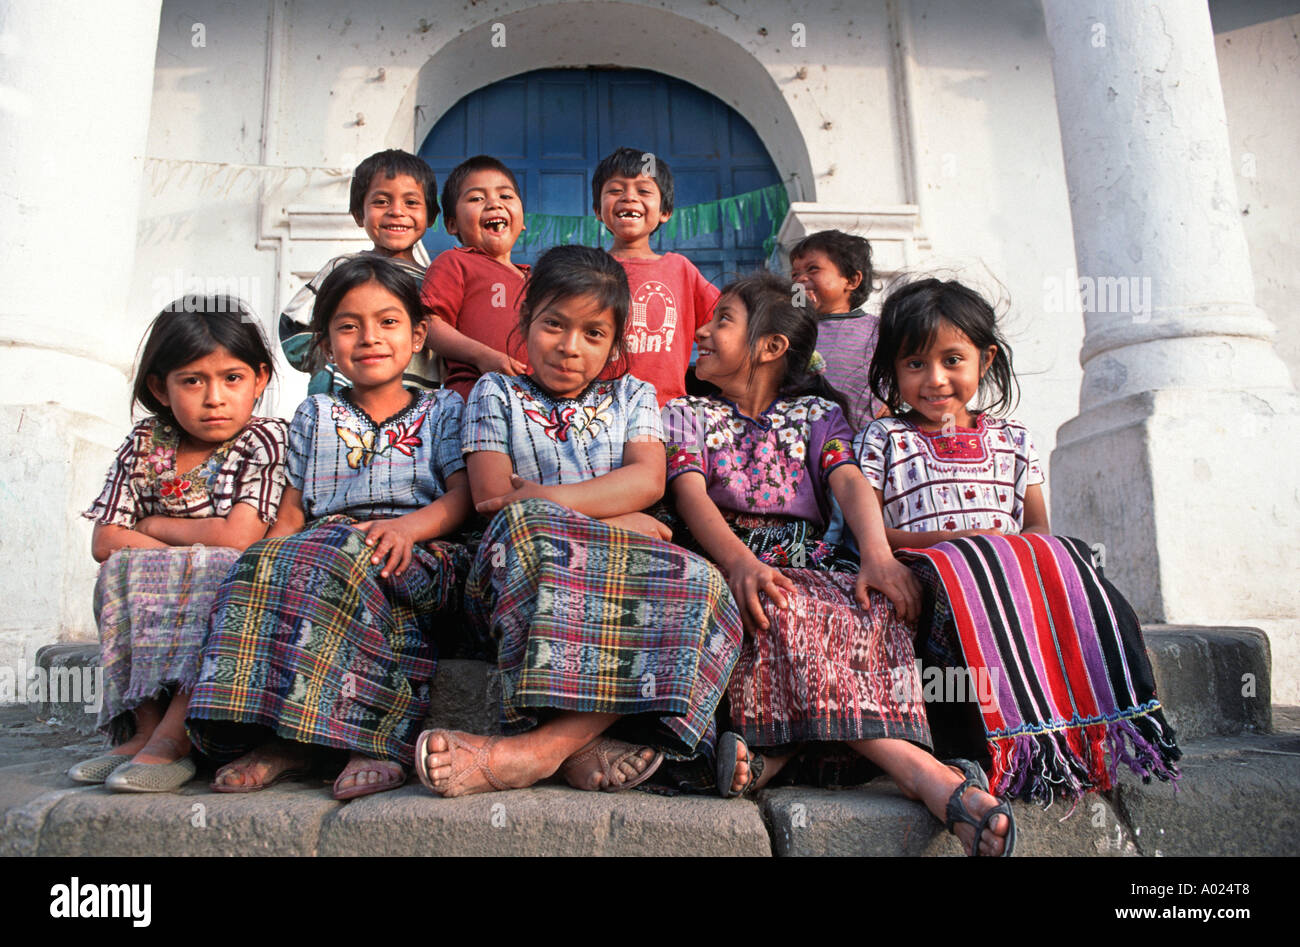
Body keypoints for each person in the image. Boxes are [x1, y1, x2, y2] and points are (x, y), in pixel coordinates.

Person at [662, 271, 1016, 856]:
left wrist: (877, 555)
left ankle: (776, 753)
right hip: (729, 557)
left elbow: (847, 480)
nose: (701, 328)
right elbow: (691, 495)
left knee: (869, 605)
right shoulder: (686, 415)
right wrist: (742, 563)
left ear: (771, 347)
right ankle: (924, 775)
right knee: (783, 602)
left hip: (811, 557)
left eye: (722, 319)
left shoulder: (818, 416)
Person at [413, 245, 742, 797]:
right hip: (512, 576)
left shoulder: (634, 395)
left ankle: (540, 751)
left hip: (603, 571)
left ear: (615, 344)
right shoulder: (497, 392)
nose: (570, 348)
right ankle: (569, 744)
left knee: (703, 580)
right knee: (532, 530)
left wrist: (550, 497)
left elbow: (648, 481)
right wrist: (627, 519)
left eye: (593, 334)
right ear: (525, 321)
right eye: (554, 325)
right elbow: (496, 499)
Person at [856, 277, 1181, 804]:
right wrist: (962, 542)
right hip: (932, 582)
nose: (934, 379)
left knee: (1071, 562)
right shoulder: (885, 438)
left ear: (985, 361)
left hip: (1006, 580)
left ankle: (1079, 728)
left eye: (952, 360)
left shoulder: (1012, 438)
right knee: (967, 588)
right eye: (914, 364)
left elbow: (1036, 528)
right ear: (893, 369)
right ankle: (979, 745)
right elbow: (872, 531)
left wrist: (994, 549)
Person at [187, 257, 473, 801]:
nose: (369, 338)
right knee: (265, 564)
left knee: (341, 550)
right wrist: (263, 564)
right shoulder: (315, 413)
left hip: (424, 551)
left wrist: (409, 527)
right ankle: (282, 736)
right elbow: (292, 513)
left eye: (388, 323)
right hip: (330, 547)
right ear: (325, 344)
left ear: (418, 337)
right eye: (348, 325)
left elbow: (463, 496)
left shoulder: (444, 408)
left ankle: (375, 737)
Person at [70, 296, 286, 793]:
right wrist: (186, 544)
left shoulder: (265, 441)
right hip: (157, 587)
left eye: (232, 378)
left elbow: (238, 538)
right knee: (117, 572)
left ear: (260, 379)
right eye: (193, 381)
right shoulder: (146, 443)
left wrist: (157, 525)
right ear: (159, 388)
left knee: (216, 569)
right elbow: (104, 540)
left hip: (229, 589)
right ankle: (142, 728)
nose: (214, 398)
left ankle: (176, 735)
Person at [279, 149, 441, 393]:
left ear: (430, 216)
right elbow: (293, 323)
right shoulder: (343, 269)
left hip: (416, 414)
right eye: (381, 201)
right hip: (343, 407)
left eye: (411, 202)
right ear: (358, 214)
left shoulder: (437, 282)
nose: (397, 211)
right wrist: (329, 364)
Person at [592, 146, 721, 406]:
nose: (629, 197)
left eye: (643, 190)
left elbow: (724, 327)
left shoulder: (681, 269)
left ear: (665, 211)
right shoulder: (586, 269)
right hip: (596, 411)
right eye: (616, 190)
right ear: (598, 210)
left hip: (668, 411)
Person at [420, 154, 532, 400]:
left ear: (523, 219)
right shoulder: (455, 263)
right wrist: (481, 356)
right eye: (476, 198)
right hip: (475, 397)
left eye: (505, 196)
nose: (494, 204)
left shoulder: (540, 281)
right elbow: (429, 324)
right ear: (452, 225)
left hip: (536, 405)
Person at [789, 229, 883, 430]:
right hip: (797, 442)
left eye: (813, 269)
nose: (799, 280)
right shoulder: (790, 332)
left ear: (851, 280)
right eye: (794, 274)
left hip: (860, 442)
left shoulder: (878, 330)